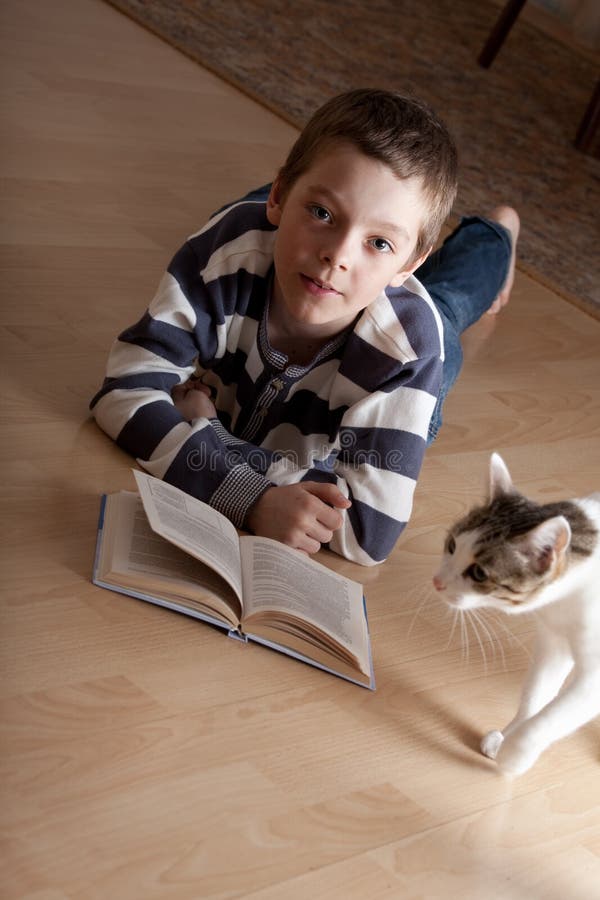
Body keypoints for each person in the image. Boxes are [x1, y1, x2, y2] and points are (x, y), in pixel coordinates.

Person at [90, 89, 518, 567]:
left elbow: (368, 532)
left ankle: (497, 235)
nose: (338, 255)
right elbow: (122, 391)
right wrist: (250, 498)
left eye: (378, 242)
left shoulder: (409, 347)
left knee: (449, 306)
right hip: (289, 241)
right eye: (322, 213)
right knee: (263, 223)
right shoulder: (228, 253)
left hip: (403, 336)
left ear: (408, 265)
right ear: (278, 197)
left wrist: (208, 430)